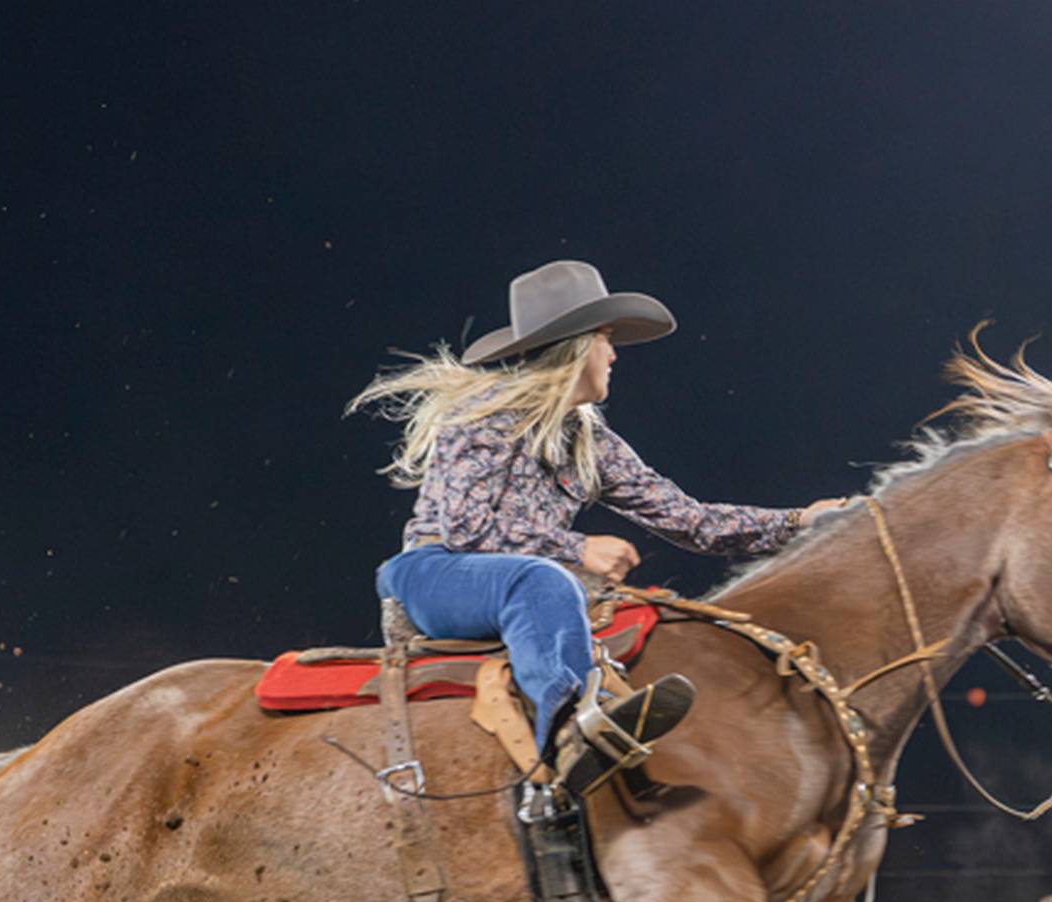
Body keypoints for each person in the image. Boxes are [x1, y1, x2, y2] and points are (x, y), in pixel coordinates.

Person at [351, 259, 848, 795]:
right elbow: (468, 529)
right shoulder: (481, 415)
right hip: (436, 573)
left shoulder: (593, 442)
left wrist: (801, 521)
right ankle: (571, 737)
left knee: (612, 604)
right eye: (606, 340)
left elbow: (691, 520)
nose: (614, 354)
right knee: (545, 582)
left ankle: (606, 749)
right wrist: (576, 547)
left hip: (523, 581)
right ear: (576, 346)